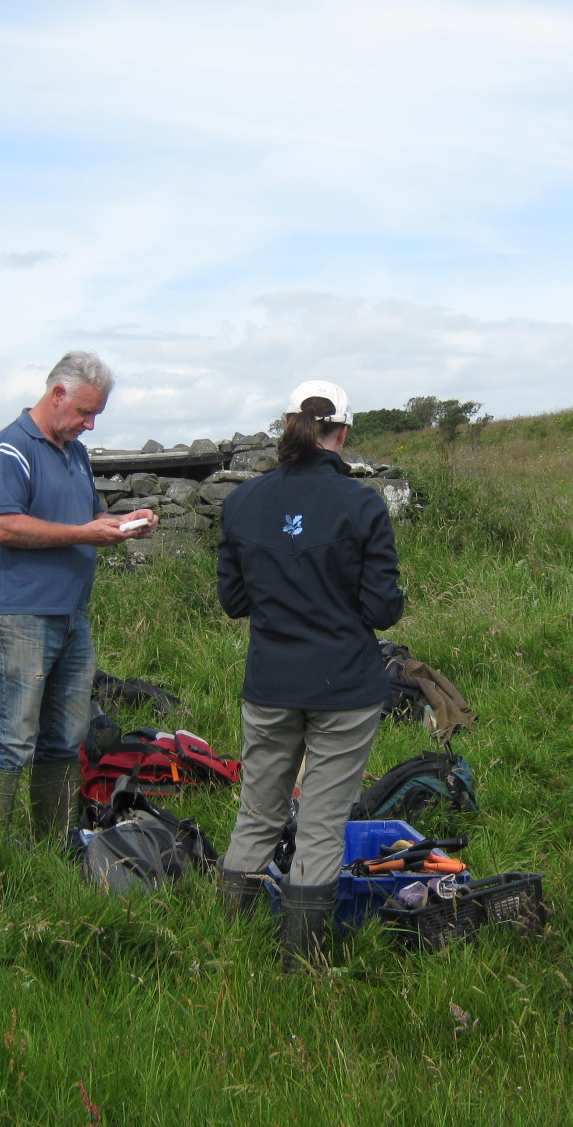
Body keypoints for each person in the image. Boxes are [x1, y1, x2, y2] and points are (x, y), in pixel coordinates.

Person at [216, 379, 406, 969]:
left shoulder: (242, 503)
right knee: (322, 824)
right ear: (342, 433)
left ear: (289, 426)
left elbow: (234, 601)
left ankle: (231, 941)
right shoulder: (363, 504)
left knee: (258, 812)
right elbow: (381, 610)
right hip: (345, 688)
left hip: (270, 683)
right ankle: (302, 961)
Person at [0, 351, 157, 841]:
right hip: (24, 615)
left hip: (73, 615)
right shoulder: (10, 449)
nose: (90, 424)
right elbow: (3, 525)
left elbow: (86, 520)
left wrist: (122, 524)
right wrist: (83, 533)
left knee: (65, 736)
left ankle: (55, 844)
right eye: (84, 411)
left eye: (95, 413)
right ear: (57, 394)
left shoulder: (74, 452)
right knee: (13, 736)